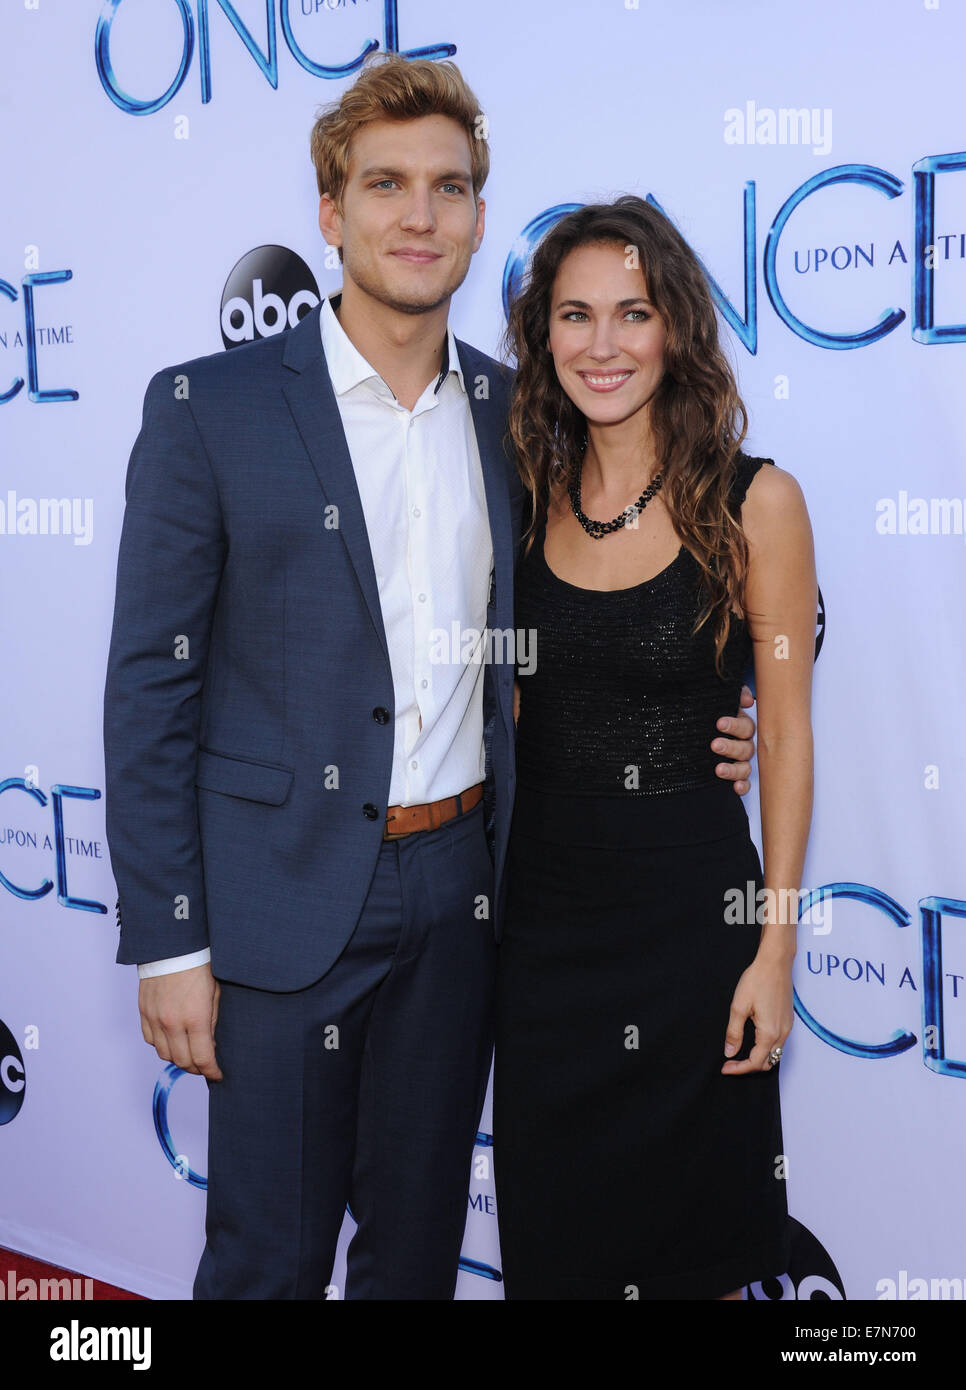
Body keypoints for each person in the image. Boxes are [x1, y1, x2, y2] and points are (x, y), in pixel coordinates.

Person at [103, 56, 760, 1300]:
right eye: (387, 184)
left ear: (475, 216)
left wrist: (734, 689)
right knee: (269, 1259)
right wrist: (167, 941)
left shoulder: (520, 418)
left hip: (465, 896)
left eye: (449, 188)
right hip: (281, 909)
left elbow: (659, 561)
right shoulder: (211, 409)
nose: (420, 215)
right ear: (329, 210)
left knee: (412, 1255)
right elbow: (149, 688)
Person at [493, 197, 816, 1300]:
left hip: (693, 934)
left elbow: (790, 737)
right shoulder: (521, 494)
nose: (602, 343)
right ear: (544, 337)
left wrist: (774, 953)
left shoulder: (755, 501)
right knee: (556, 1251)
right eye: (574, 315)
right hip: (542, 940)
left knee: (695, 1255)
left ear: (674, 325)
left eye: (632, 312)